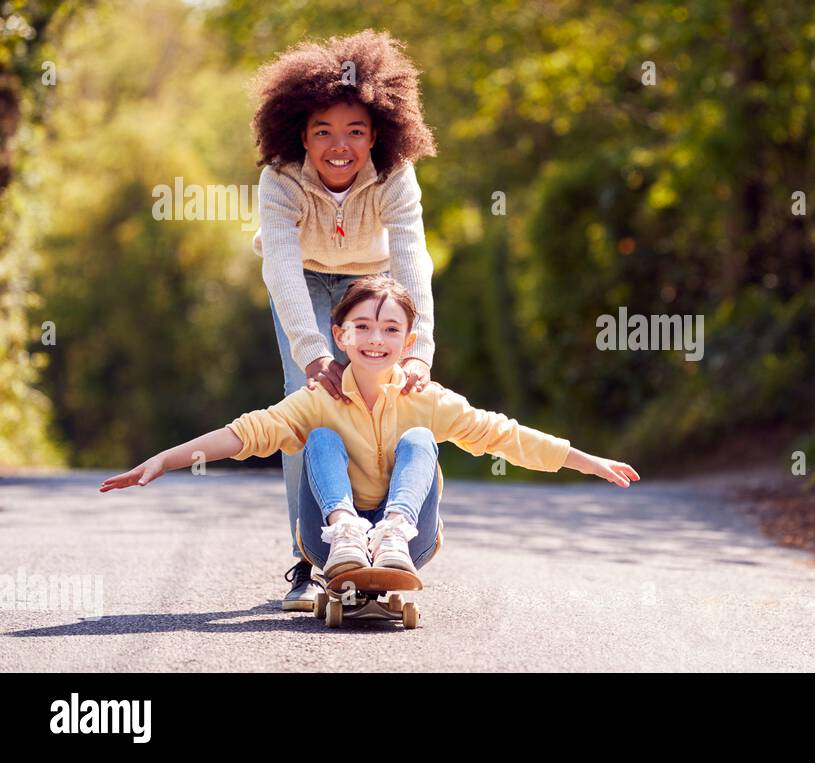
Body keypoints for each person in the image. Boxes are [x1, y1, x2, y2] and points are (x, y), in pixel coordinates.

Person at [99, 276, 640, 582]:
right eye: (361, 327)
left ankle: (391, 531)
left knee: (420, 439)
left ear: (408, 341)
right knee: (321, 438)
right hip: (326, 541)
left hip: (412, 542)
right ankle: (349, 531)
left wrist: (585, 460)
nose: (374, 339)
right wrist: (167, 459)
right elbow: (247, 434)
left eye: (389, 329)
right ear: (339, 336)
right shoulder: (318, 398)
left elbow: (502, 434)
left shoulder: (425, 398)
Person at [248, 30, 441, 606]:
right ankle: (308, 559)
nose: (340, 146)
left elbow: (412, 260)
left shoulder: (394, 174)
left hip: (369, 282)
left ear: (377, 134)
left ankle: (387, 541)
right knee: (306, 408)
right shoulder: (280, 176)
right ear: (300, 136)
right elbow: (280, 268)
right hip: (303, 277)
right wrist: (312, 354)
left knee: (387, 401)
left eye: (355, 131)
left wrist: (417, 351)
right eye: (323, 132)